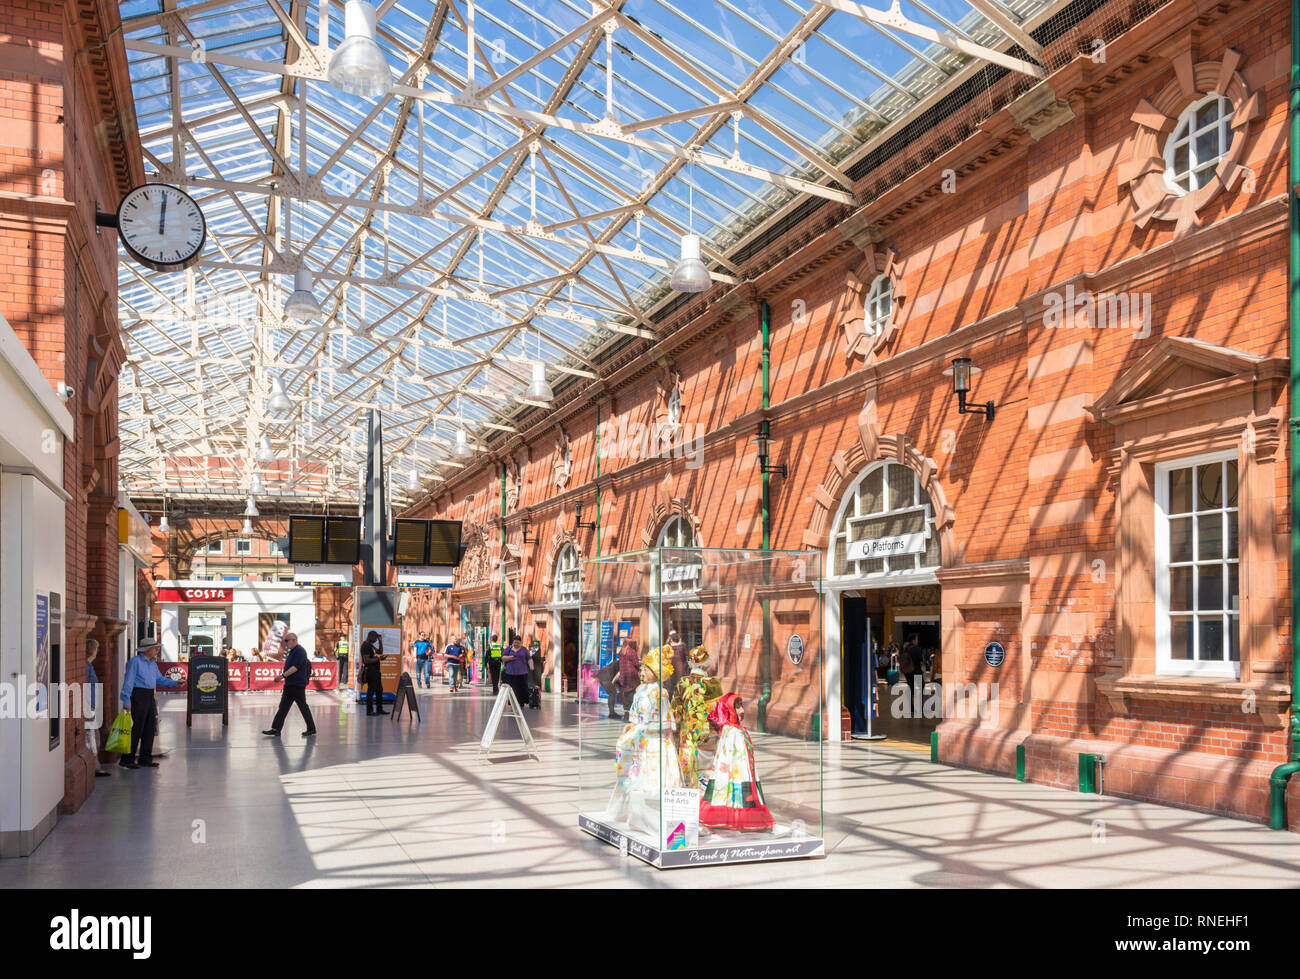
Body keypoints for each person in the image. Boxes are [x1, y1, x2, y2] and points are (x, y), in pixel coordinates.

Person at [118, 640, 178, 769]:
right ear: (147, 649)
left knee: (150, 727)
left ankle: (145, 758)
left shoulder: (152, 664)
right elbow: (128, 681)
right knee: (136, 728)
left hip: (150, 695)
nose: (157, 650)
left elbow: (160, 679)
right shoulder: (134, 662)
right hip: (138, 695)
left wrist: (175, 683)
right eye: (155, 648)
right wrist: (126, 700)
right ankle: (127, 759)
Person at [263, 632, 317, 738]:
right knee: (283, 707)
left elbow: (295, 667)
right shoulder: (293, 651)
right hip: (290, 684)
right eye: (285, 641)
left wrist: (282, 676)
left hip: (297, 685)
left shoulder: (300, 651)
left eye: (287, 641)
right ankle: (276, 729)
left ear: (294, 640)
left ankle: (311, 729)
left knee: (303, 707)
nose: (286, 643)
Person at [84, 639, 109, 778]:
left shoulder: (89, 665)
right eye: (97, 649)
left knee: (95, 737)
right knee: (91, 738)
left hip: (91, 707)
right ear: (93, 650)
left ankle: (95, 765)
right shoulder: (86, 666)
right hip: (87, 707)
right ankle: (94, 768)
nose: (98, 651)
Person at [360, 631, 387, 715]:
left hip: (376, 671)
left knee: (379, 690)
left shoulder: (371, 645)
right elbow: (366, 660)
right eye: (375, 638)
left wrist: (380, 641)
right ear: (370, 637)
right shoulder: (365, 646)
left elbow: (380, 652)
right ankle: (369, 711)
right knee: (371, 691)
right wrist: (379, 659)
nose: (375, 640)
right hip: (370, 671)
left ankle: (379, 709)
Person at [500, 633, 530, 706]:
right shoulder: (509, 649)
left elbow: (529, 658)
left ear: (521, 642)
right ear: (513, 642)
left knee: (522, 688)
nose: (516, 644)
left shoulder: (524, 649)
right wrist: (510, 658)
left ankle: (521, 702)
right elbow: (503, 658)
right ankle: (513, 703)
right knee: (512, 689)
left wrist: (531, 666)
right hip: (510, 673)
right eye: (515, 642)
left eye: (518, 642)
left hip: (522, 673)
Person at [615, 639, 640, 719]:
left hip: (624, 676)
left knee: (626, 694)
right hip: (632, 676)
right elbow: (636, 663)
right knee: (632, 694)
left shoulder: (621, 651)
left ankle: (626, 714)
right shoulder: (631, 651)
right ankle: (631, 715)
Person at [666, 629, 688, 698]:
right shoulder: (682, 648)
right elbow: (689, 656)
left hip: (670, 673)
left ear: (671, 640)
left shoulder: (667, 649)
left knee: (670, 692)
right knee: (681, 693)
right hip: (681, 673)